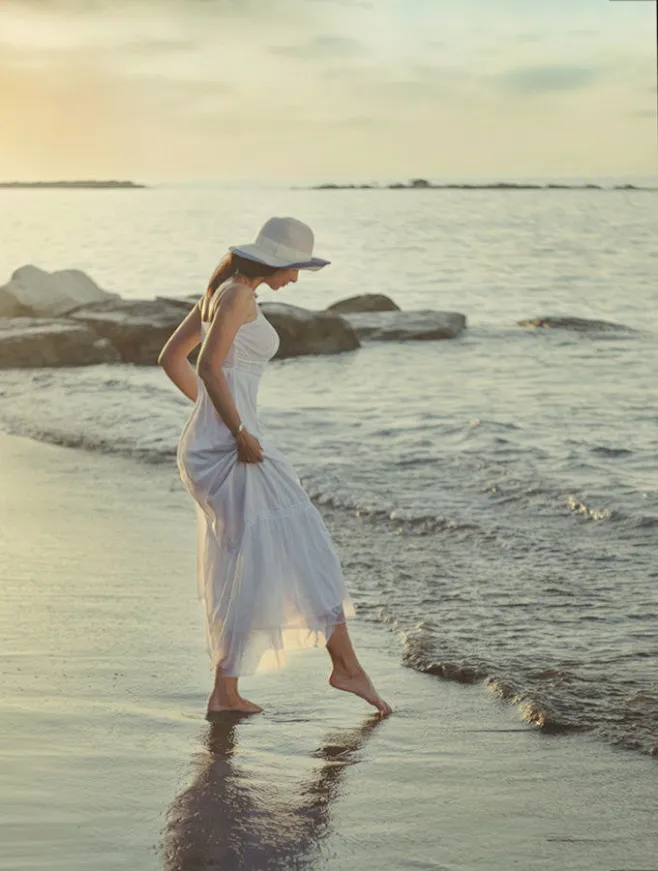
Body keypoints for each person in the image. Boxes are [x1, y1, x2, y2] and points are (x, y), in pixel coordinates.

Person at [158, 216, 391, 717]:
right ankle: (344, 667)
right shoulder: (237, 296)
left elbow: (171, 358)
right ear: (274, 261)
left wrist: (212, 418)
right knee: (304, 545)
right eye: (295, 267)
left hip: (218, 440)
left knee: (248, 560)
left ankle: (226, 691)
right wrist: (234, 429)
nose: (297, 278)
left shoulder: (222, 290)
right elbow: (205, 366)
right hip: (231, 445)